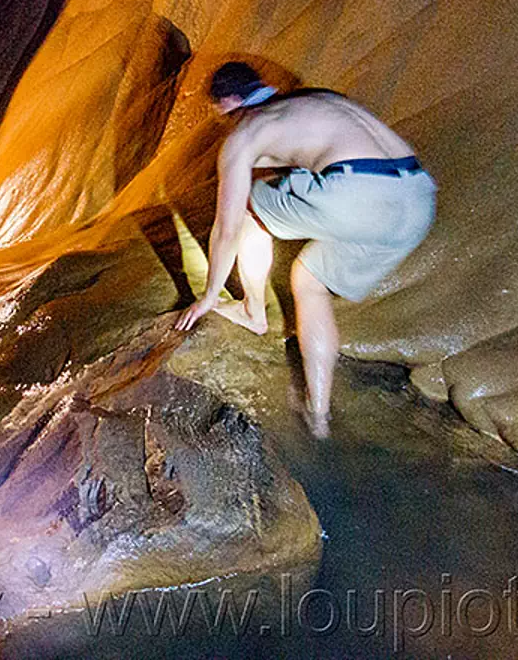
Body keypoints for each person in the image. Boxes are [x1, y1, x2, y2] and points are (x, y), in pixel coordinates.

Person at [174, 61, 436, 437]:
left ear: (227, 102)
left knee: (248, 207)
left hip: (358, 190)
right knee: (309, 278)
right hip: (418, 199)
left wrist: (209, 295)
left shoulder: (245, 133)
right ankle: (319, 416)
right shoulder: (316, 100)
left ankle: (252, 311)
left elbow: (227, 227)